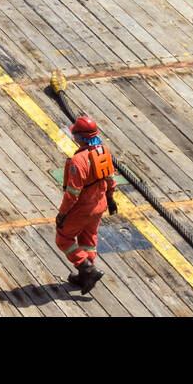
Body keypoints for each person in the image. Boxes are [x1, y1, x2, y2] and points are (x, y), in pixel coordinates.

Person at [54, 115, 117, 294]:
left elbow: (73, 194)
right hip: (100, 204)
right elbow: (111, 180)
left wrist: (62, 214)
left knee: (63, 238)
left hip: (83, 208)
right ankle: (84, 278)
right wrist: (111, 199)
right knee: (88, 241)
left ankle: (87, 269)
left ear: (79, 137)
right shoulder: (103, 151)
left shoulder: (78, 161)